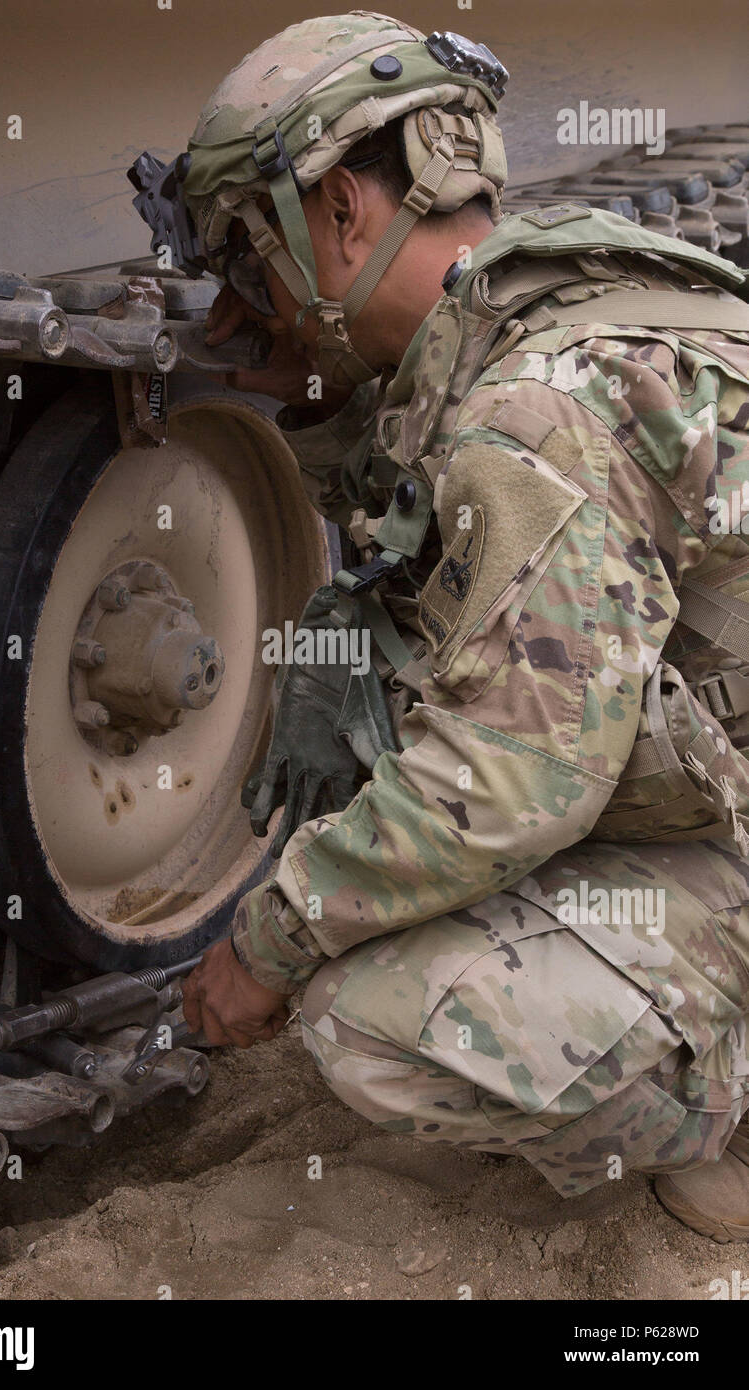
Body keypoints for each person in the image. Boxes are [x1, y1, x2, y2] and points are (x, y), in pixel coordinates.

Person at [180, 12, 749, 1240]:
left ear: (336, 212)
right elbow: (441, 575)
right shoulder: (555, 310)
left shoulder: (536, 410)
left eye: (245, 257)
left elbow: (514, 774)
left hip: (723, 832)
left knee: (363, 1021)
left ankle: (713, 1102)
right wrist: (321, 406)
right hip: (720, 775)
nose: (246, 303)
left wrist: (268, 940)